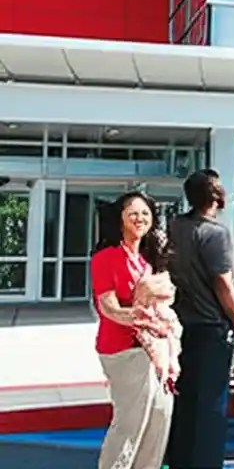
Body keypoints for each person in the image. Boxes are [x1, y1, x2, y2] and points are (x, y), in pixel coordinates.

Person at [167, 168, 234, 469]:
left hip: (181, 325)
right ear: (216, 196)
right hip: (210, 326)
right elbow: (223, 283)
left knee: (185, 399)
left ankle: (179, 460)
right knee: (211, 405)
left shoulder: (175, 227)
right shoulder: (215, 233)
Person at [90, 191, 175, 469]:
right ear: (121, 219)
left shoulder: (146, 261)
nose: (140, 218)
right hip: (123, 349)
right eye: (133, 213)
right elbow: (108, 307)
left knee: (159, 418)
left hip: (153, 351)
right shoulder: (106, 257)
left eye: (145, 213)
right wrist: (137, 318)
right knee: (131, 424)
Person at [132, 230, 182, 394]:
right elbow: (139, 317)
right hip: (154, 334)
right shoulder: (146, 280)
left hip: (168, 332)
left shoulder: (165, 274)